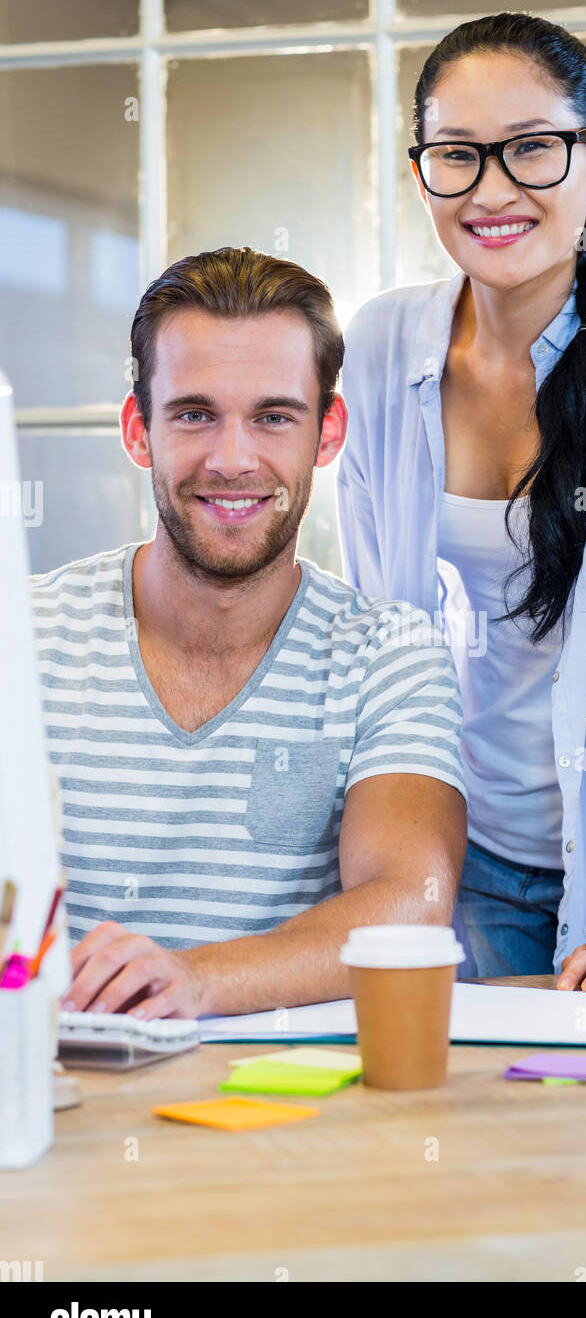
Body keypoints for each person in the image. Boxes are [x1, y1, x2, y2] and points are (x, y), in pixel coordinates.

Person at [337, 12, 586, 992]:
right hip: (464, 849)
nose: (490, 190)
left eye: (530, 148)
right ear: (421, 167)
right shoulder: (384, 341)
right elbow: (376, 638)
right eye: (456, 155)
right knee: (465, 1126)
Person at [34, 247, 467, 1020]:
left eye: (273, 417)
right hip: (62, 1096)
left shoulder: (388, 655)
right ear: (139, 431)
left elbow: (409, 901)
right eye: (195, 414)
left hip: (287, 1111)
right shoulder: (23, 640)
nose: (232, 461)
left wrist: (192, 981)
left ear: (328, 434)